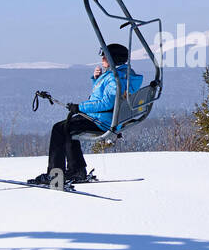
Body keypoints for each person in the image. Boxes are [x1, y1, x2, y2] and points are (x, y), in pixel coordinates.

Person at [30, 43, 143, 185]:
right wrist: (97, 80)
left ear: (112, 59)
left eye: (105, 56)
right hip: (106, 118)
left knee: (59, 129)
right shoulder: (121, 75)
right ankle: (76, 171)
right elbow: (106, 96)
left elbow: (107, 103)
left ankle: (55, 175)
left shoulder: (115, 78)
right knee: (68, 127)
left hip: (102, 120)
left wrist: (80, 107)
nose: (102, 59)